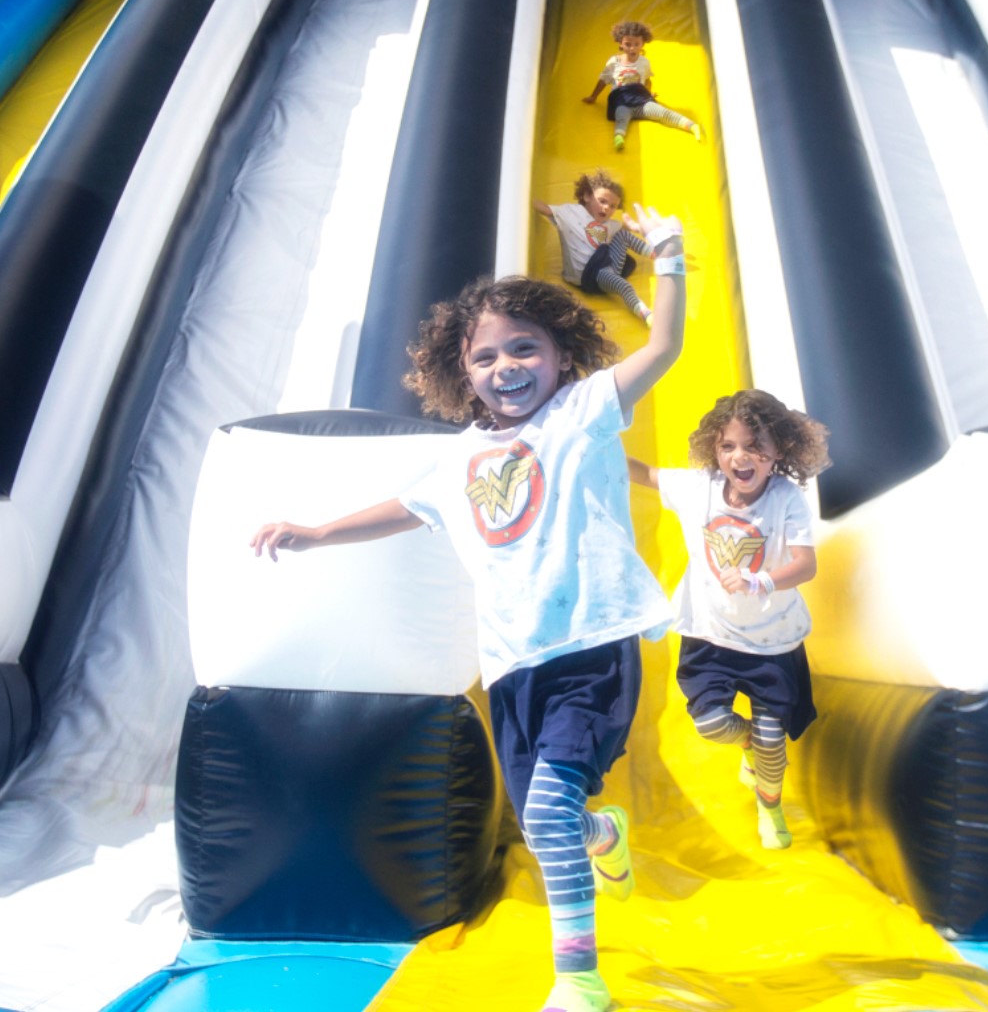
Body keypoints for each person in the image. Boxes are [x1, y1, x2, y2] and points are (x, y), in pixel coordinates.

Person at [250, 206, 689, 1012]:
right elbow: (403, 508)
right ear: (462, 370)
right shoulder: (461, 459)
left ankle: (580, 981)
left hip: (590, 646)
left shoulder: (581, 413)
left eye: (525, 348)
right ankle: (604, 835)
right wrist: (316, 533)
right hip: (512, 663)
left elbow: (662, 347)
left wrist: (667, 257)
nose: (505, 366)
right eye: (485, 355)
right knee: (548, 822)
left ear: (561, 356)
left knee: (547, 810)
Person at [627, 390, 830, 850]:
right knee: (712, 724)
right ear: (714, 449)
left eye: (755, 447)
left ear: (779, 450)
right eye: (728, 446)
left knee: (774, 743)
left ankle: (770, 807)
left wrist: (761, 580)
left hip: (771, 641)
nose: (740, 457)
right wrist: (589, 445)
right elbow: (647, 474)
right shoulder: (699, 488)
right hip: (710, 635)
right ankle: (748, 747)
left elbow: (805, 564)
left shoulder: (785, 499)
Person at [535, 169, 654, 326]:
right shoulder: (571, 213)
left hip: (606, 269)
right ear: (587, 196)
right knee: (623, 286)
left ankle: (657, 254)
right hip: (589, 275)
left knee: (623, 236)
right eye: (602, 201)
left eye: (613, 206)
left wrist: (631, 227)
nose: (607, 208)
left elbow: (623, 234)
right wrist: (525, 196)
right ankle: (645, 314)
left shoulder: (609, 225)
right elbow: (544, 209)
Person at [582, 20, 701, 152]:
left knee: (661, 112)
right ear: (620, 43)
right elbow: (603, 80)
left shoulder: (644, 62)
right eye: (628, 44)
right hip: (622, 101)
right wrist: (593, 96)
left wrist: (649, 95)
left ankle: (691, 125)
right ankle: (619, 138)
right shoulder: (614, 62)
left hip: (640, 101)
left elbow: (648, 80)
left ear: (643, 44)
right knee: (621, 117)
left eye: (636, 44)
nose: (632, 48)